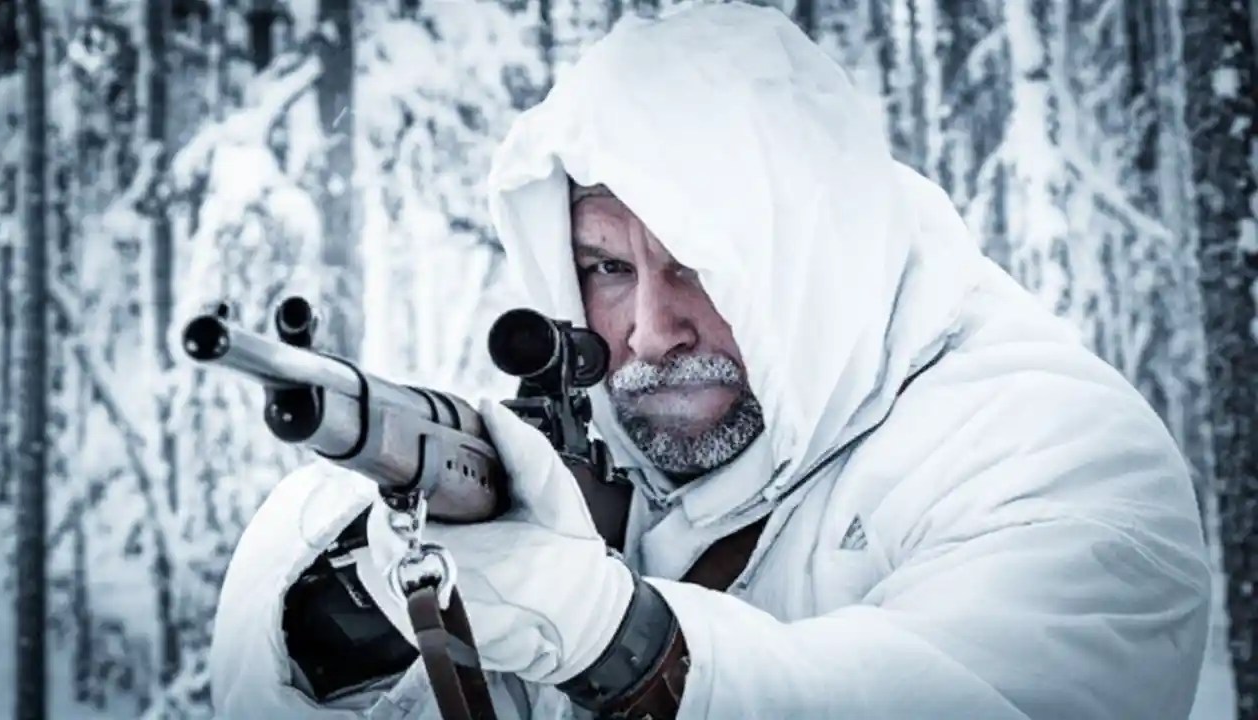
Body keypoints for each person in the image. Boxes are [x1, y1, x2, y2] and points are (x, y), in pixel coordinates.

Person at [209, 3, 1211, 718]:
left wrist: (628, 646)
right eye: (606, 268)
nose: (651, 332)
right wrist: (346, 622)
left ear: (810, 258)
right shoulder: (610, 450)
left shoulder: (1060, 454)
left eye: (697, 266)